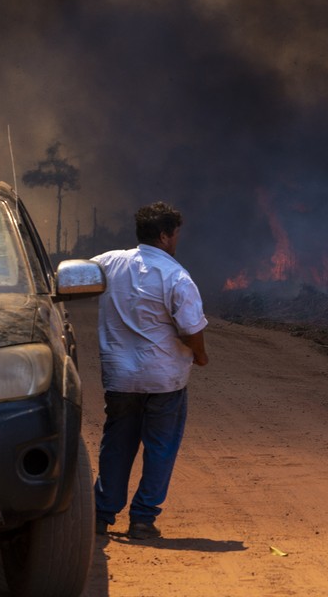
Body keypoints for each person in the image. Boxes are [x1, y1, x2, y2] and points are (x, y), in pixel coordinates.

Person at [91, 201, 209, 540]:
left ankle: (102, 514)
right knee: (160, 447)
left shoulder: (109, 262)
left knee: (117, 443)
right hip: (164, 380)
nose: (176, 240)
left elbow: (72, 276)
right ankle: (142, 519)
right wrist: (200, 355)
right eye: (175, 234)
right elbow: (190, 329)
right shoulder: (176, 276)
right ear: (164, 235)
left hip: (120, 379)